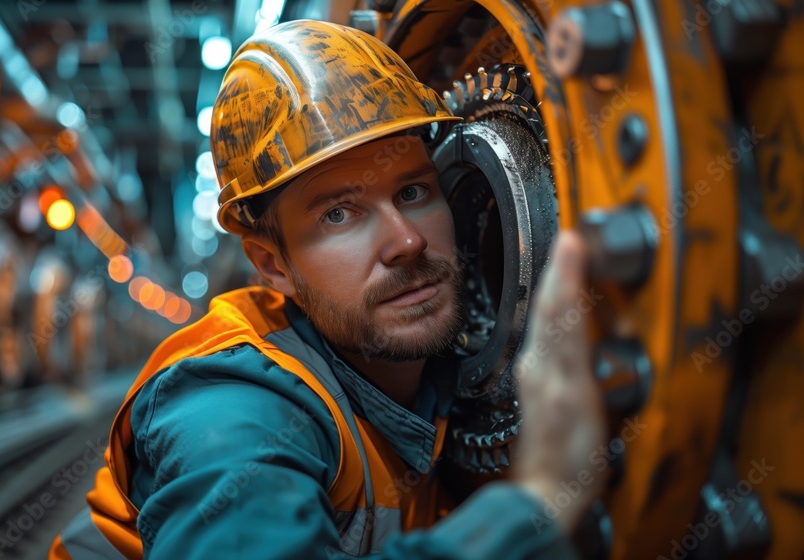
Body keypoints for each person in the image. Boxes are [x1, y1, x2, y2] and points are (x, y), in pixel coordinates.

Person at [50, 19, 606, 559]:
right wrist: (534, 504)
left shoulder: (434, 378)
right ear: (274, 266)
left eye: (413, 191)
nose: (407, 242)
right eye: (339, 214)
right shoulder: (230, 416)